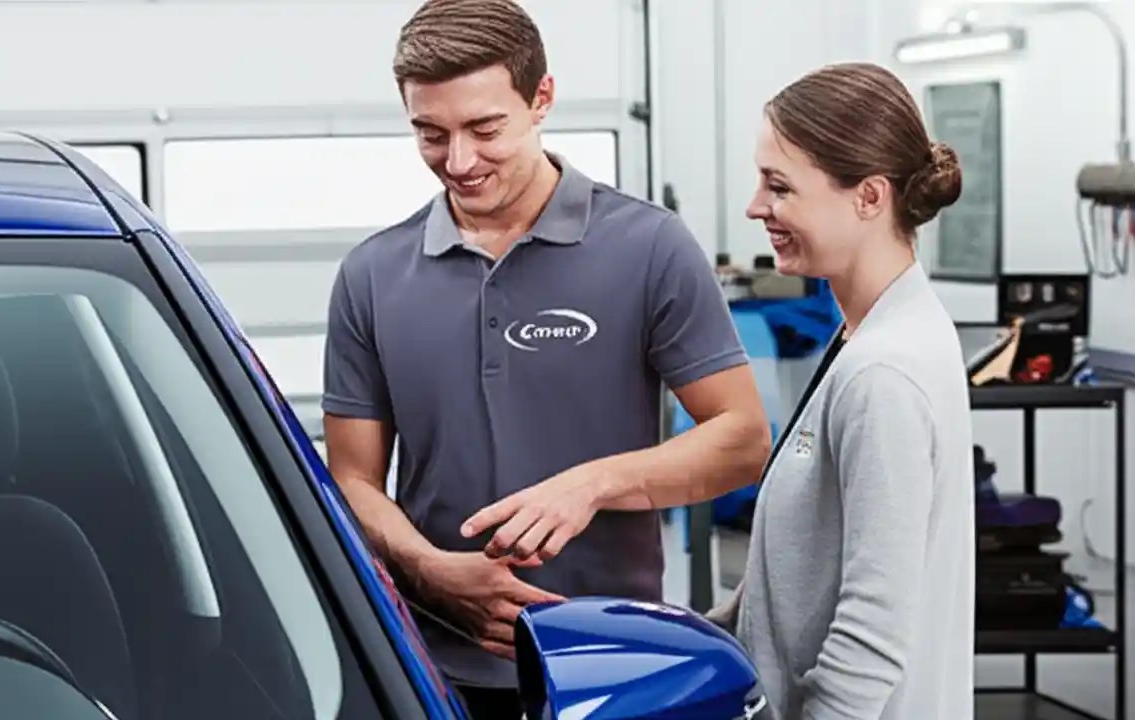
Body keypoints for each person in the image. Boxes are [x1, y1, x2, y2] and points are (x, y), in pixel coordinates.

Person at [321, 0, 772, 716]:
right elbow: (351, 478)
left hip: (615, 672)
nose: (459, 162)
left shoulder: (650, 248)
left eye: (485, 128)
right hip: (423, 670)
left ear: (542, 100)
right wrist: (431, 571)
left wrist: (590, 485)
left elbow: (741, 440)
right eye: (430, 133)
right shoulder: (372, 275)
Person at [708, 62, 976, 720]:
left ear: (868, 197)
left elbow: (871, 636)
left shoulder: (885, 372)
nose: (755, 206)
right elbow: (798, 572)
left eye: (780, 187)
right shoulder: (872, 332)